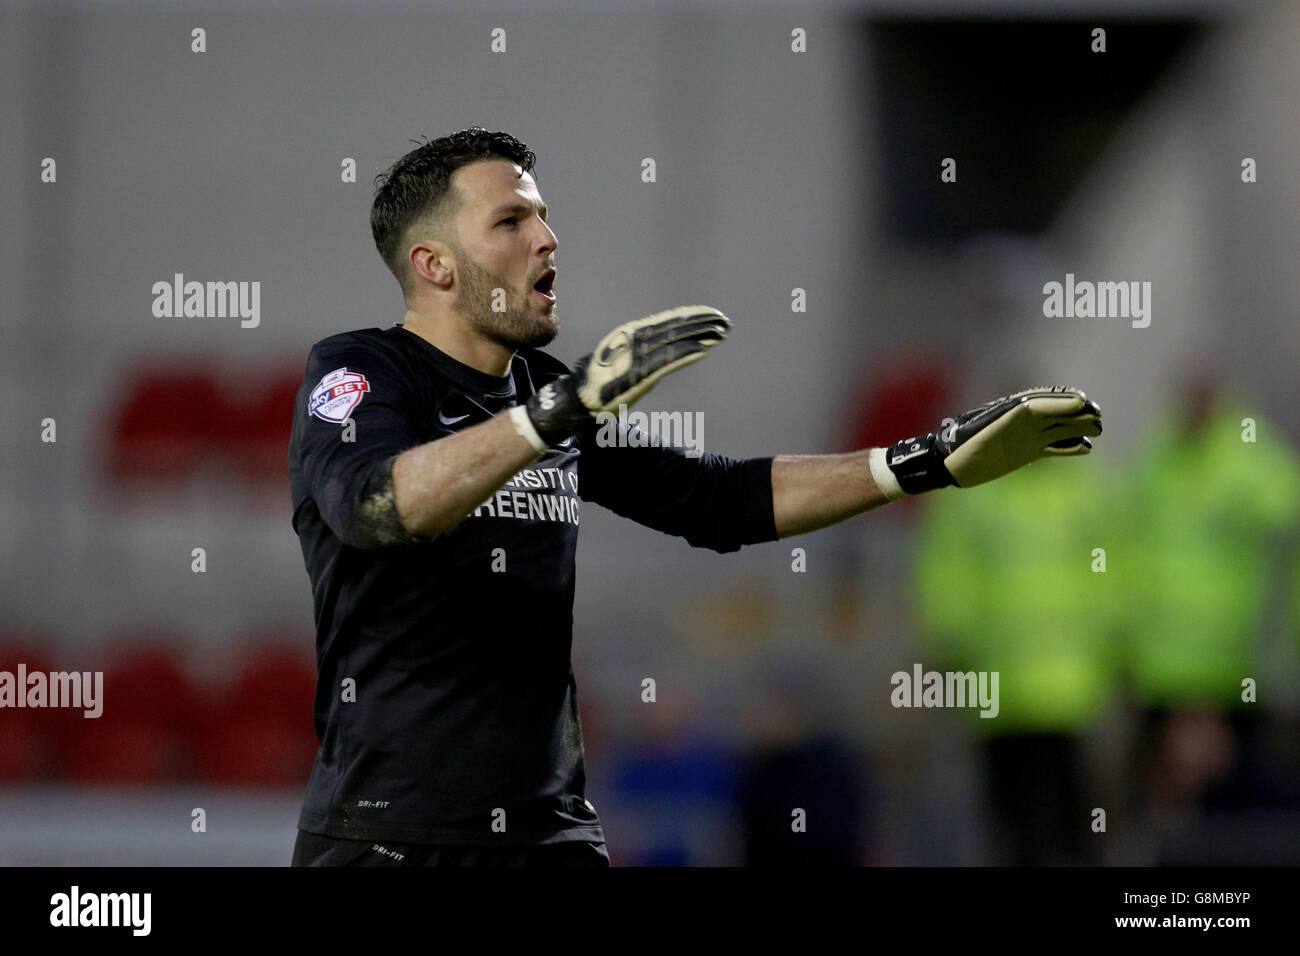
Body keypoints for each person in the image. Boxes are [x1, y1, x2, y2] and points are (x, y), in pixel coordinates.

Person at [287, 127, 1102, 867]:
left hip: (547, 835)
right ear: (434, 264)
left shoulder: (546, 392)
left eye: (543, 216)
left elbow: (715, 500)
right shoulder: (361, 371)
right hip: (390, 838)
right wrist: (552, 418)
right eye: (511, 221)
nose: (547, 238)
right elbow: (375, 505)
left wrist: (921, 463)